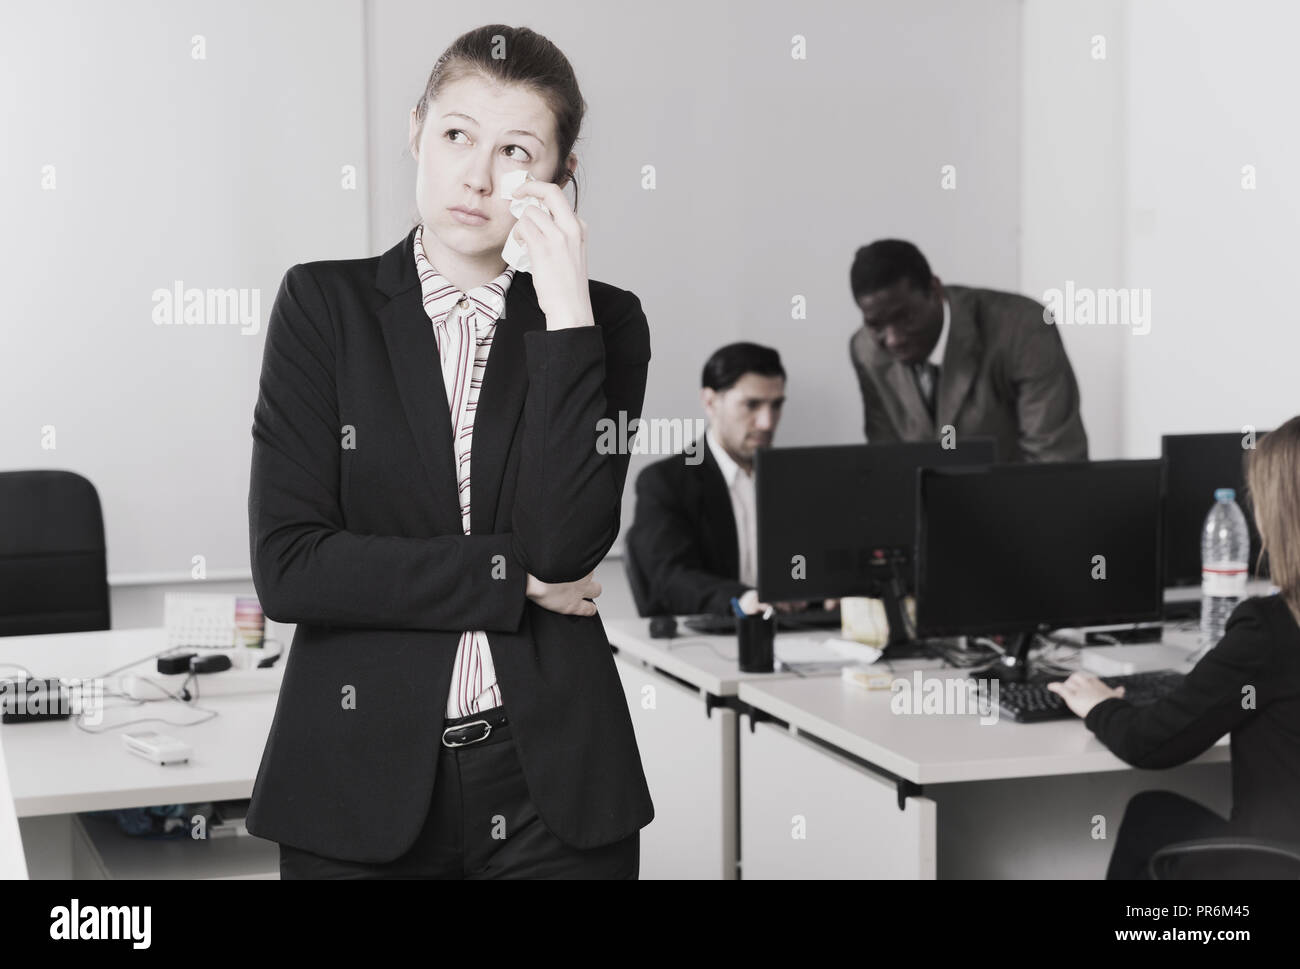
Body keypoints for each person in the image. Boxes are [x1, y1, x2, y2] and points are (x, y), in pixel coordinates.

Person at [245, 25, 653, 878]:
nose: (476, 174)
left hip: (554, 794)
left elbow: (564, 545)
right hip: (358, 780)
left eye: (516, 151)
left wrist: (565, 305)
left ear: (559, 177)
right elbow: (292, 567)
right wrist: (512, 580)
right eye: (457, 135)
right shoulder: (325, 306)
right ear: (416, 131)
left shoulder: (602, 321)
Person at [1049, 416, 1300, 878]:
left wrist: (1100, 706)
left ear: (1278, 513)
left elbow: (1151, 745)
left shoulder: (1270, 630)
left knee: (1153, 816)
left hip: (1276, 866)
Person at [625, 343, 833, 617]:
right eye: (752, 405)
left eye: (776, 405)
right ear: (710, 402)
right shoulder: (665, 482)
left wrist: (826, 592)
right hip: (708, 640)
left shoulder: (797, 482)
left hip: (794, 636)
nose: (767, 423)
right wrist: (743, 599)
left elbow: (811, 568)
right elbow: (671, 579)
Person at [848, 239, 1088, 462]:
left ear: (935, 290)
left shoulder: (1022, 328)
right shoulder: (866, 351)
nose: (893, 339)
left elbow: (1055, 462)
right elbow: (888, 463)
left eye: (905, 317)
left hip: (1016, 500)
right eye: (876, 325)